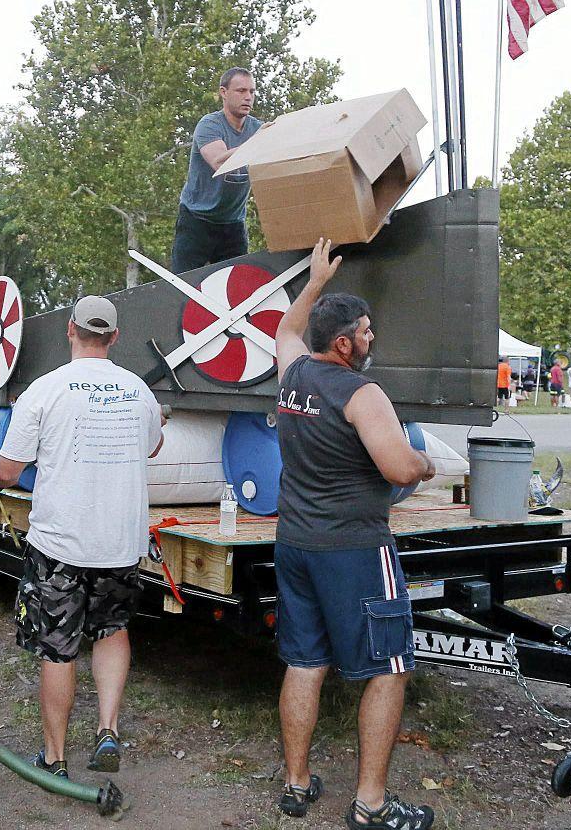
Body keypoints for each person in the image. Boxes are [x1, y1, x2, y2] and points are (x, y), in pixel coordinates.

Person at [272, 239, 436, 826]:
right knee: (387, 667)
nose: (371, 339)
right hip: (356, 549)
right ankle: (370, 804)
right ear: (342, 343)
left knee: (305, 662)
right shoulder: (361, 393)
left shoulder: (293, 375)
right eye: (365, 332)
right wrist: (423, 463)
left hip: (295, 544)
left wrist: (314, 283)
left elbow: (285, 331)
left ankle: (296, 785)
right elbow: (398, 468)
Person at [0, 295, 164, 781]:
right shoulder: (137, 391)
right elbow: (152, 445)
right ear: (113, 337)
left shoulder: (44, 391)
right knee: (112, 630)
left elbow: (5, 471)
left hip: (60, 545)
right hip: (120, 544)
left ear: (71, 330)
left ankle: (54, 757)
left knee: (58, 647)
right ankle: (107, 728)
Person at [171, 67, 262, 273]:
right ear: (223, 92)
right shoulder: (209, 125)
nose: (248, 97)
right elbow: (220, 163)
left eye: (252, 92)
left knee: (238, 290)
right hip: (196, 221)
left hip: (233, 224)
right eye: (241, 91)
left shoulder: (258, 130)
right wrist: (260, 144)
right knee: (182, 288)